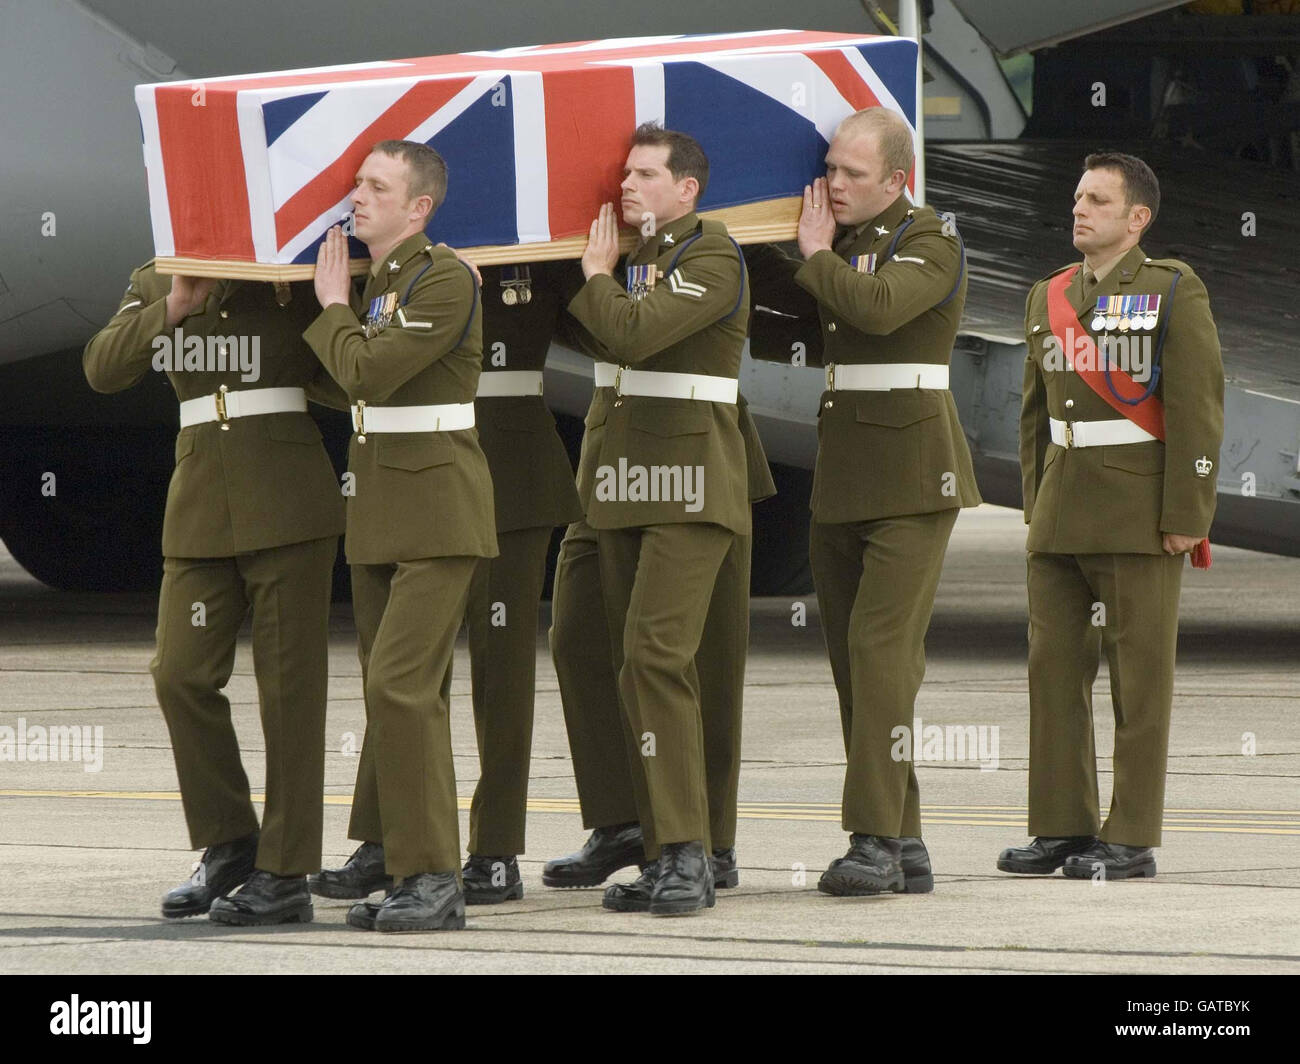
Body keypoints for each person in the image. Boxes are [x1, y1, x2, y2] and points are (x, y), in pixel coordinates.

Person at [744, 106, 980, 897]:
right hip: (844, 474)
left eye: (851, 173)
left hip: (914, 477)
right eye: (830, 169)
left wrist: (811, 252)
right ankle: (905, 839)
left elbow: (876, 309)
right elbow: (791, 321)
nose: (832, 183)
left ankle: (873, 839)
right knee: (855, 664)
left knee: (882, 655)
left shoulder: (931, 238)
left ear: (897, 181)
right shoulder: (841, 248)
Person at [310, 261, 584, 906]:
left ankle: (495, 848)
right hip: (405, 466)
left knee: (502, 670)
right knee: (398, 667)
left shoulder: (532, 252)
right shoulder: (392, 268)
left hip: (508, 465)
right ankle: (386, 839)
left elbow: (598, 329)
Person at [83, 267, 344, 925]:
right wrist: (173, 305)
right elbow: (103, 370)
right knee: (179, 674)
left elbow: (349, 382)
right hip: (201, 498)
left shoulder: (288, 271)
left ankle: (284, 871)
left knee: (290, 689)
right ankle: (229, 840)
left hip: (289, 497)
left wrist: (332, 303)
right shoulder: (153, 280)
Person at [998, 152, 1223, 880]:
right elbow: (1035, 416)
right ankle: (1061, 825)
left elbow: (1197, 409)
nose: (1079, 209)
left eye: (1097, 199)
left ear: (1137, 219)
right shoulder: (1047, 296)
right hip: (1061, 509)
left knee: (1139, 680)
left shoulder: (1171, 289)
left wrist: (1188, 512)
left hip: (1139, 510)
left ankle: (1130, 834)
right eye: (1076, 197)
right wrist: (1037, 504)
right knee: (1053, 672)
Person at [305, 139, 497, 932]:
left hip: (439, 511)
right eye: (357, 184)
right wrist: (336, 315)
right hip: (382, 510)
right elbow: (336, 378)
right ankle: (395, 855)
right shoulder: (381, 282)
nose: (359, 197)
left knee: (401, 687)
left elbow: (366, 373)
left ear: (419, 207)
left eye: (377, 188)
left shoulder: (443, 278)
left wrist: (331, 311)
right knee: (397, 691)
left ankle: (433, 877)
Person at [562, 123, 751, 915]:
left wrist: (595, 273)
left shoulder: (710, 254)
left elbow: (633, 332)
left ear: (688, 189)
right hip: (617, 478)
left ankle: (686, 851)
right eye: (623, 173)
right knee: (582, 640)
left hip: (687, 480)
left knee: (656, 656)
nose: (626, 185)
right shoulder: (634, 258)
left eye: (644, 174)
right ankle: (638, 827)